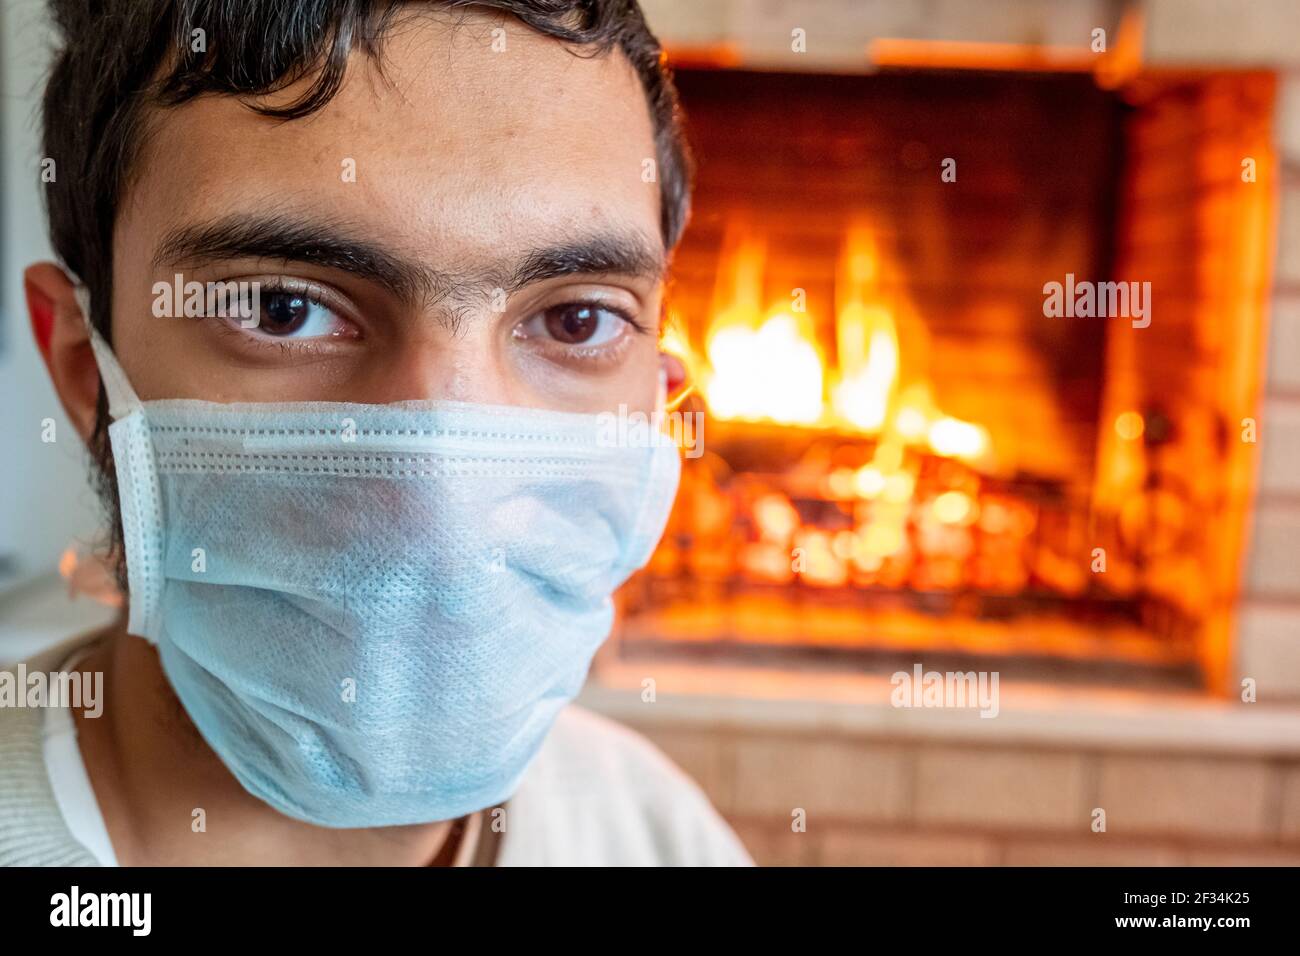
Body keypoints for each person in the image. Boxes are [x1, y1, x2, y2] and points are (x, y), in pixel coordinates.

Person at [1, 0, 752, 867]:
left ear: (660, 388)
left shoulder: (653, 833)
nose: (441, 496)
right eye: (283, 311)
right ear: (83, 368)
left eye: (578, 320)